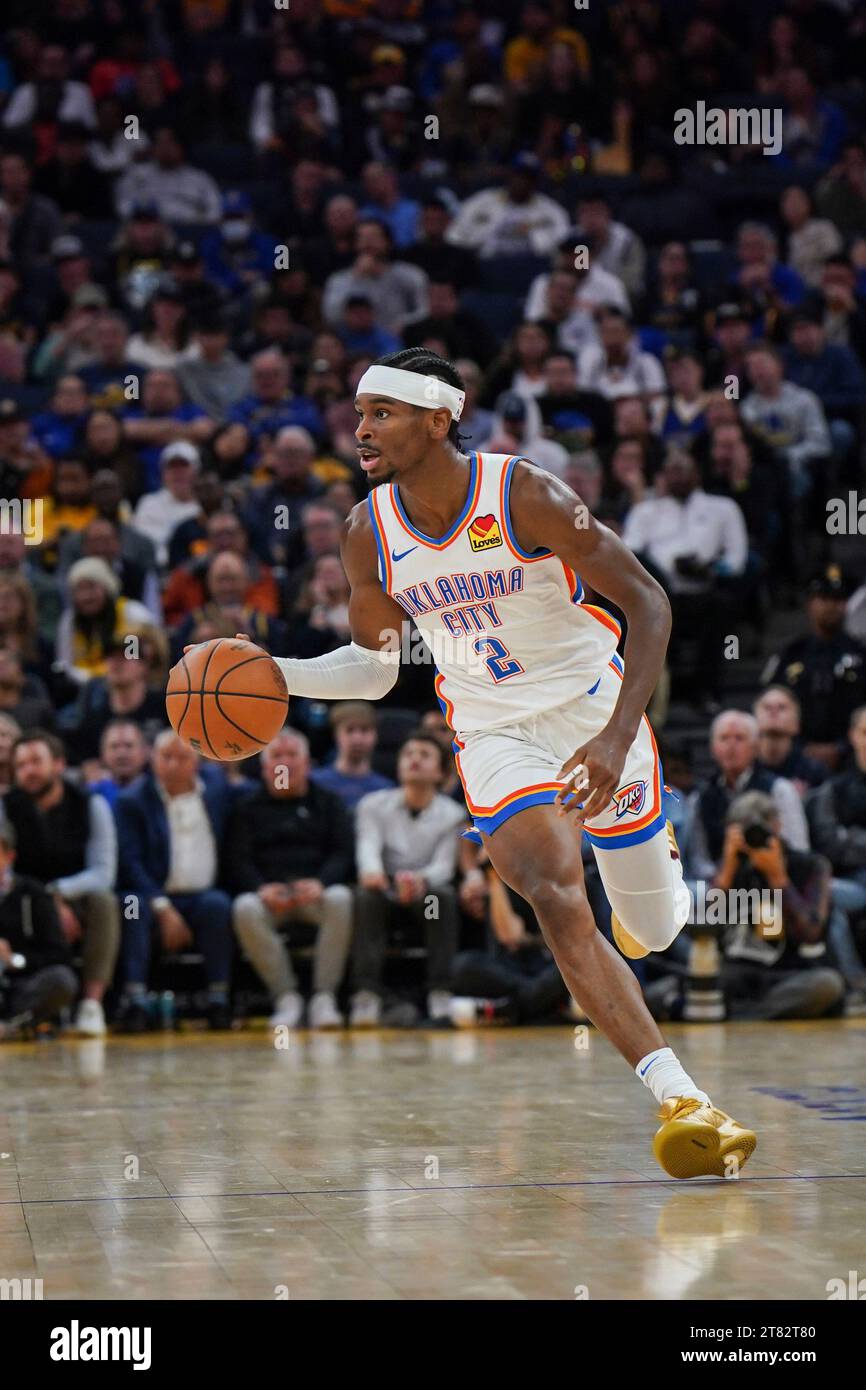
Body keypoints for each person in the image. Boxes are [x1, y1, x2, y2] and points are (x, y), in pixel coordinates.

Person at [227, 345, 759, 1178]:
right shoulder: (369, 530)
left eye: (382, 413)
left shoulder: (524, 493)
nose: (360, 429)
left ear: (439, 420)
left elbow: (649, 601)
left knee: (654, 932)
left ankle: (651, 882)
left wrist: (619, 736)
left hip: (592, 710)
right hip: (490, 729)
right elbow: (376, 666)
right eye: (359, 413)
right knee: (550, 888)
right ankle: (681, 1097)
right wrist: (275, 675)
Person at [227, 731, 353, 1030]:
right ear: (263, 766)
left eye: (292, 755)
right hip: (271, 898)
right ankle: (286, 997)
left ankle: (324, 998)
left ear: (308, 763)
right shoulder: (247, 808)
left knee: (341, 898)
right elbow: (237, 859)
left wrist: (321, 882)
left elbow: (343, 852)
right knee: (244, 907)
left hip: (314, 895)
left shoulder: (329, 802)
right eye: (276, 756)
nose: (284, 763)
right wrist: (259, 887)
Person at [115, 732, 236, 1032]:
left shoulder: (217, 791)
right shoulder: (133, 801)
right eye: (165, 757)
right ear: (152, 760)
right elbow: (130, 863)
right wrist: (162, 906)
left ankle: (219, 998)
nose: (173, 765)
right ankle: (135, 999)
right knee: (131, 906)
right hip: (150, 897)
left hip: (201, 898)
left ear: (197, 762)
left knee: (219, 905)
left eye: (182, 758)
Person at [4, 731, 119, 1036]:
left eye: (36, 761)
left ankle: (92, 1005)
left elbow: (103, 872)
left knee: (111, 902)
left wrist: (57, 894)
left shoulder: (91, 804)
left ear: (58, 764)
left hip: (75, 897)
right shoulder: (5, 806)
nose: (28, 770)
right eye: (21, 765)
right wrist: (44, 899)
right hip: (22, 900)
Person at [351, 732, 466, 1025]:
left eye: (424, 755)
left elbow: (444, 866)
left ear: (440, 772)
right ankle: (366, 994)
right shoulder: (372, 804)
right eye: (408, 754)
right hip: (384, 887)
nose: (414, 759)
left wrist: (419, 881)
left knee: (440, 899)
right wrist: (373, 873)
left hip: (423, 891)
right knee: (366, 898)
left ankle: (440, 991)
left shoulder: (452, 814)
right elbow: (368, 847)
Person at [714, 792, 844, 1021]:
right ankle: (752, 1012)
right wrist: (725, 876)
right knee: (698, 981)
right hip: (738, 974)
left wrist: (779, 880)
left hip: (792, 972)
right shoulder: (732, 866)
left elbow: (811, 934)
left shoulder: (811, 865)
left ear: (777, 825)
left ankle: (743, 1015)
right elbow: (705, 937)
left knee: (827, 985)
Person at [0, 821, 77, 1036]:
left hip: (19, 984)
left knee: (62, 980)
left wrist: (14, 959)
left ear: (9, 856)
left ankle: (13, 1026)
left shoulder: (33, 893)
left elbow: (59, 953)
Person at [310, 701, 394, 810]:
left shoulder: (386, 790)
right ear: (336, 734)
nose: (357, 738)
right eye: (349, 730)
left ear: (376, 735)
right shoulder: (315, 783)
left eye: (365, 730)